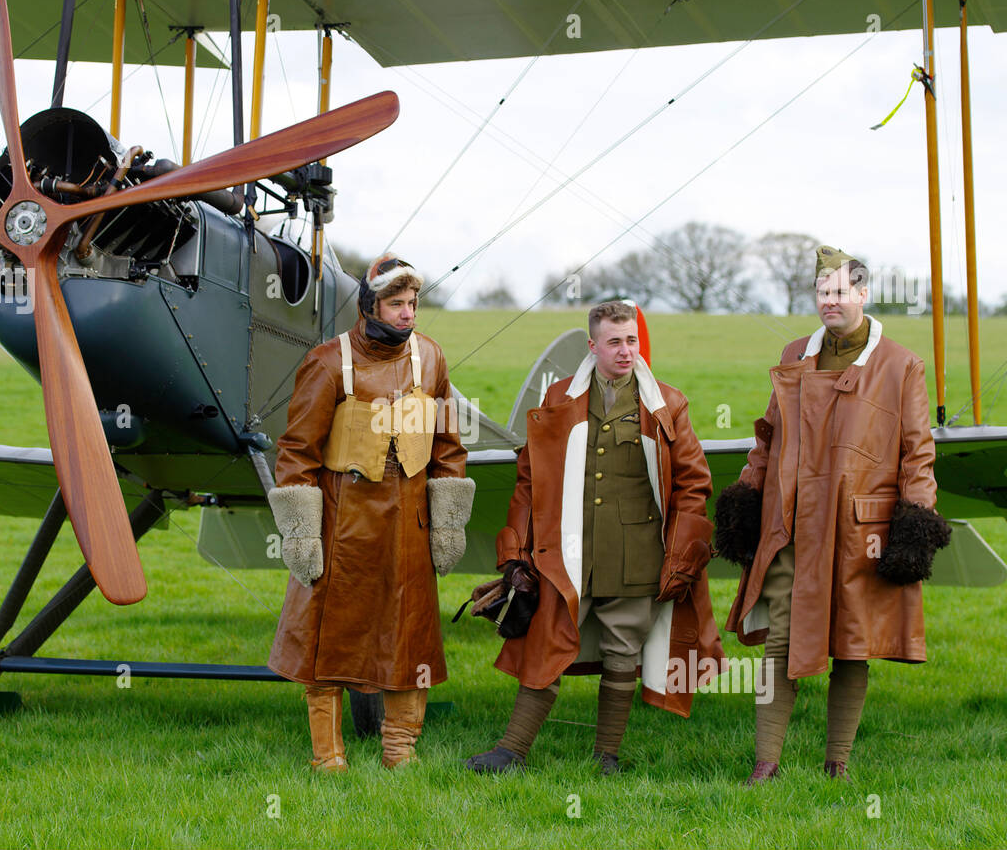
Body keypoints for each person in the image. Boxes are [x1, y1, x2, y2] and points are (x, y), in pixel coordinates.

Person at [715, 246, 950, 785]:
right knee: (779, 641)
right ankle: (766, 764)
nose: (830, 301)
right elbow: (767, 437)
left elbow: (917, 454)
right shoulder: (795, 352)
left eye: (841, 291)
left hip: (856, 531)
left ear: (863, 295)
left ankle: (837, 764)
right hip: (791, 524)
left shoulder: (901, 364)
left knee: (852, 646)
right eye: (822, 292)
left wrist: (914, 527)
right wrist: (748, 499)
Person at [466, 301, 723, 775]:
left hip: (637, 556)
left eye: (631, 341)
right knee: (546, 642)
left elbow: (694, 484)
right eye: (614, 342)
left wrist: (685, 556)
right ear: (593, 346)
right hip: (567, 552)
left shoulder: (667, 402)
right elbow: (530, 480)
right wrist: (515, 553)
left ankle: (606, 756)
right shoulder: (559, 399)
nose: (625, 352)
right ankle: (512, 751)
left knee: (623, 651)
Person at [267, 254, 474, 772]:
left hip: (410, 527)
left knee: (410, 638)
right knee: (327, 636)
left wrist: (447, 523)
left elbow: (448, 445)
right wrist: (300, 533)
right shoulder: (327, 360)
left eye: (413, 304)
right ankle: (327, 756)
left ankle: (400, 752)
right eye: (396, 304)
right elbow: (296, 451)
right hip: (343, 524)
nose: (408, 314)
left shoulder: (432, 357)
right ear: (370, 305)